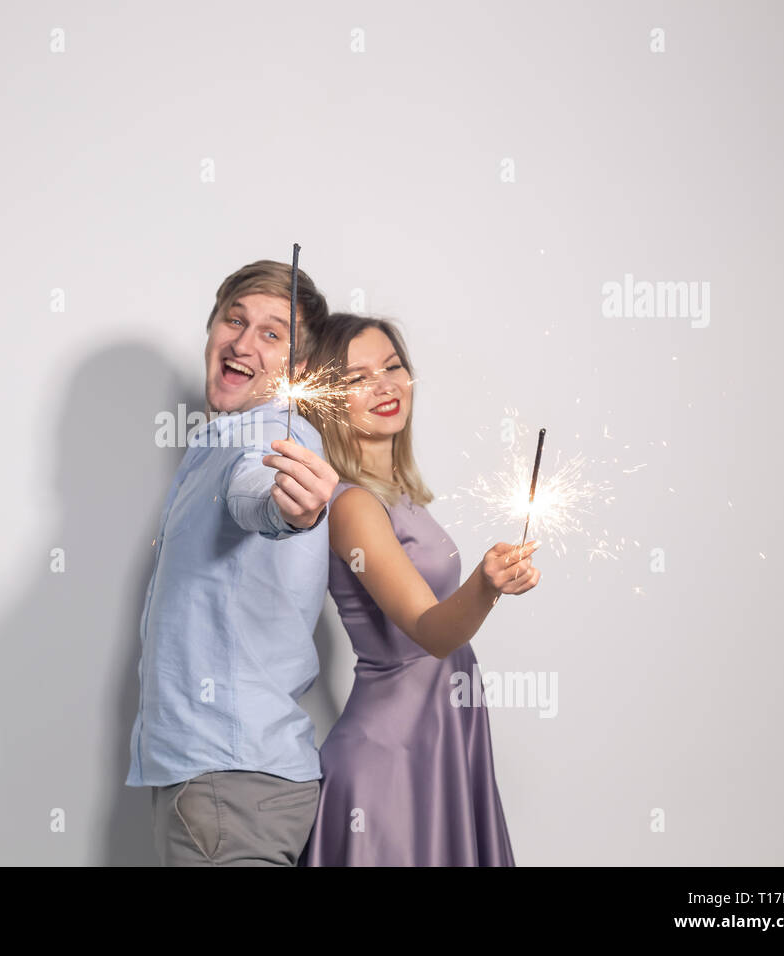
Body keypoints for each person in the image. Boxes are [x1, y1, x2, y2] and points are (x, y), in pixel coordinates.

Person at [297, 314, 541, 866]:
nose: (384, 385)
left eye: (393, 366)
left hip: (437, 742)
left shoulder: (401, 494)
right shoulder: (354, 505)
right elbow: (431, 633)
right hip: (389, 761)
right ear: (329, 400)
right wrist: (485, 583)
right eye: (358, 378)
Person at [125, 259, 340, 866]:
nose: (243, 342)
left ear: (298, 370)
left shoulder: (273, 435)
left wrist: (291, 508)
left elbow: (260, 492)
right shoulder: (213, 443)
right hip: (212, 781)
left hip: (230, 783)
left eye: (272, 334)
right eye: (234, 320)